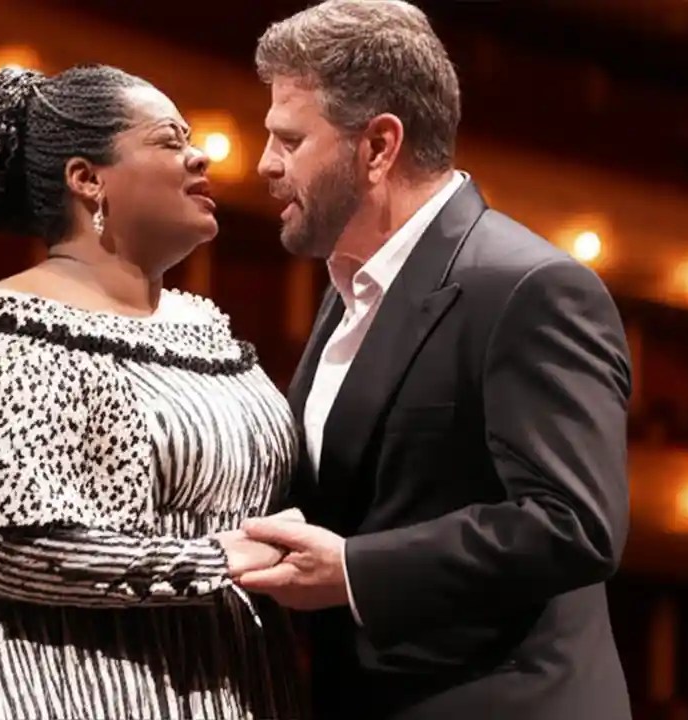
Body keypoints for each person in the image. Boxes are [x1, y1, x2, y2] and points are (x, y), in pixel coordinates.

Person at [0, 64, 305, 720]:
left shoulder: (205, 330)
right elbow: (4, 549)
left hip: (218, 671)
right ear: (87, 179)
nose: (200, 154)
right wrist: (215, 558)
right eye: (170, 141)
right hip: (35, 679)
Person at [237, 2, 634, 718]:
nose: (265, 163)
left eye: (289, 139)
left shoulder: (530, 287)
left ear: (379, 146)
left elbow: (574, 523)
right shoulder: (348, 283)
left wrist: (355, 572)